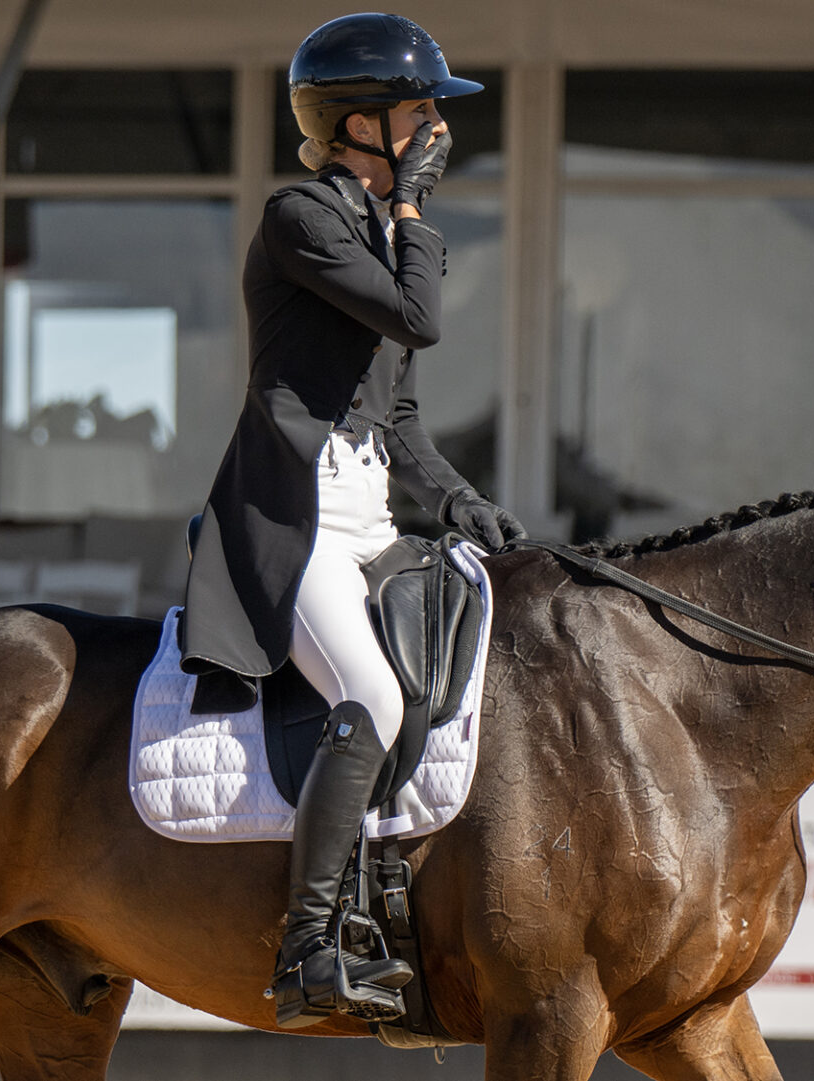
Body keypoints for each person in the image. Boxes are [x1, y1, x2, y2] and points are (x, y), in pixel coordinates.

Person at [178, 12, 524, 1029]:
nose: (436, 133)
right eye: (421, 115)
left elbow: (398, 409)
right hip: (298, 521)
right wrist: (413, 207)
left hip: (372, 511)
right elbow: (419, 318)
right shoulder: (303, 216)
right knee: (368, 692)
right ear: (360, 124)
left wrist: (456, 496)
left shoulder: (374, 231)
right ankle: (307, 947)